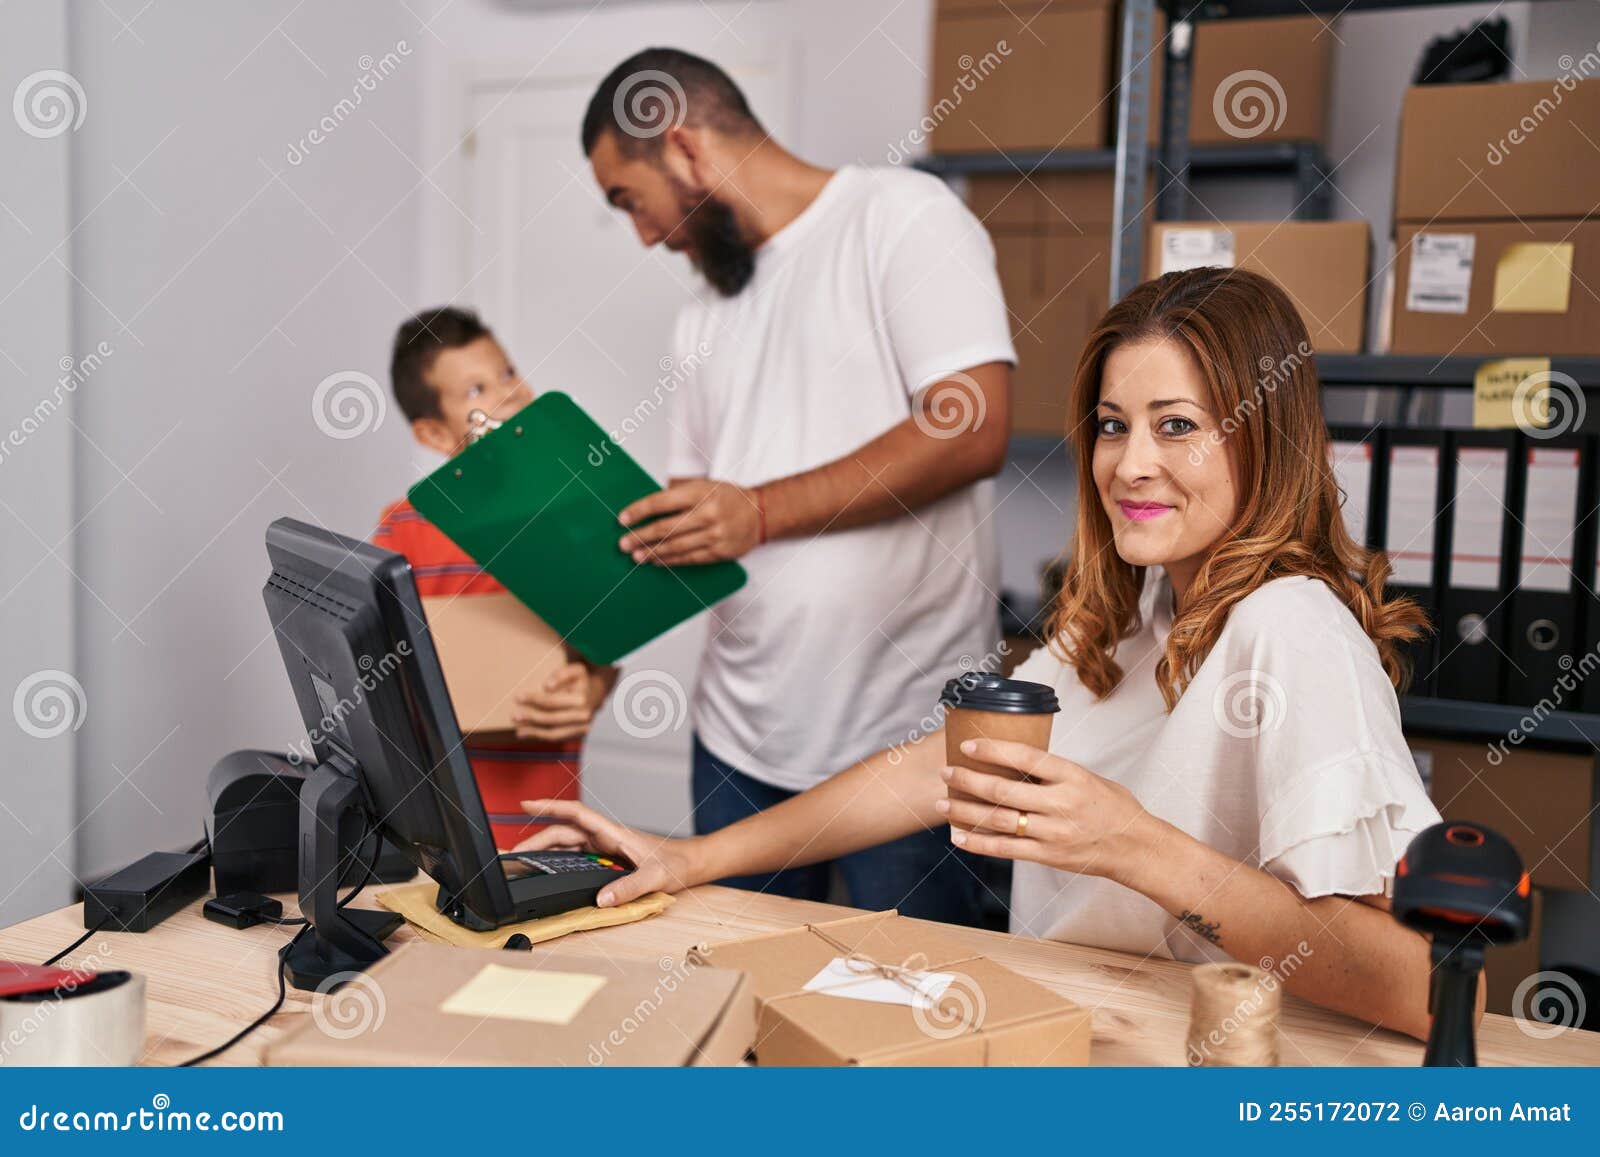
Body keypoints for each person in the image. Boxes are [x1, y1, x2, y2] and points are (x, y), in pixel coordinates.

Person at [516, 268, 1456, 1039]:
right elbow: (937, 771)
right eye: (1114, 424)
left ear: (1265, 437)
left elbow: (1422, 986)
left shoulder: (1291, 625)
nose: (1130, 463)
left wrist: (1134, 846)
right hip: (1081, 1034)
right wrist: (690, 859)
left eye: (1177, 424)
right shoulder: (1122, 624)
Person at [578, 48, 1018, 926]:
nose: (646, 235)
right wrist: (590, 650)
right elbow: (695, 518)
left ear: (683, 147)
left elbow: (971, 425)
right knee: (742, 1011)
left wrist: (761, 511)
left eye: (630, 200)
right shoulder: (702, 316)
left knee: (918, 1031)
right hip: (737, 746)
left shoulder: (900, 217)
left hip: (906, 747)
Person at [374, 306, 618, 849]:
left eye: (508, 373)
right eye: (477, 390)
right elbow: (377, 668)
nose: (510, 393)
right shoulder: (403, 529)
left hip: (546, 827)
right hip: (435, 833)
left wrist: (593, 688)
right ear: (435, 433)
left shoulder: (573, 517)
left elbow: (601, 650)